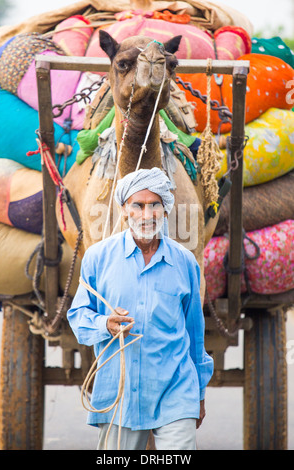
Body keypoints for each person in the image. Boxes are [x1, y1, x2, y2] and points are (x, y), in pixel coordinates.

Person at [67, 167, 214, 450]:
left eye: (155, 205)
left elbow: (195, 335)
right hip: (119, 393)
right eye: (138, 205)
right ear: (124, 210)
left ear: (166, 210)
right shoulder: (98, 258)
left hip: (176, 390)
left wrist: (198, 393)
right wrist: (104, 325)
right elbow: (79, 315)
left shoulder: (185, 263)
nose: (147, 215)